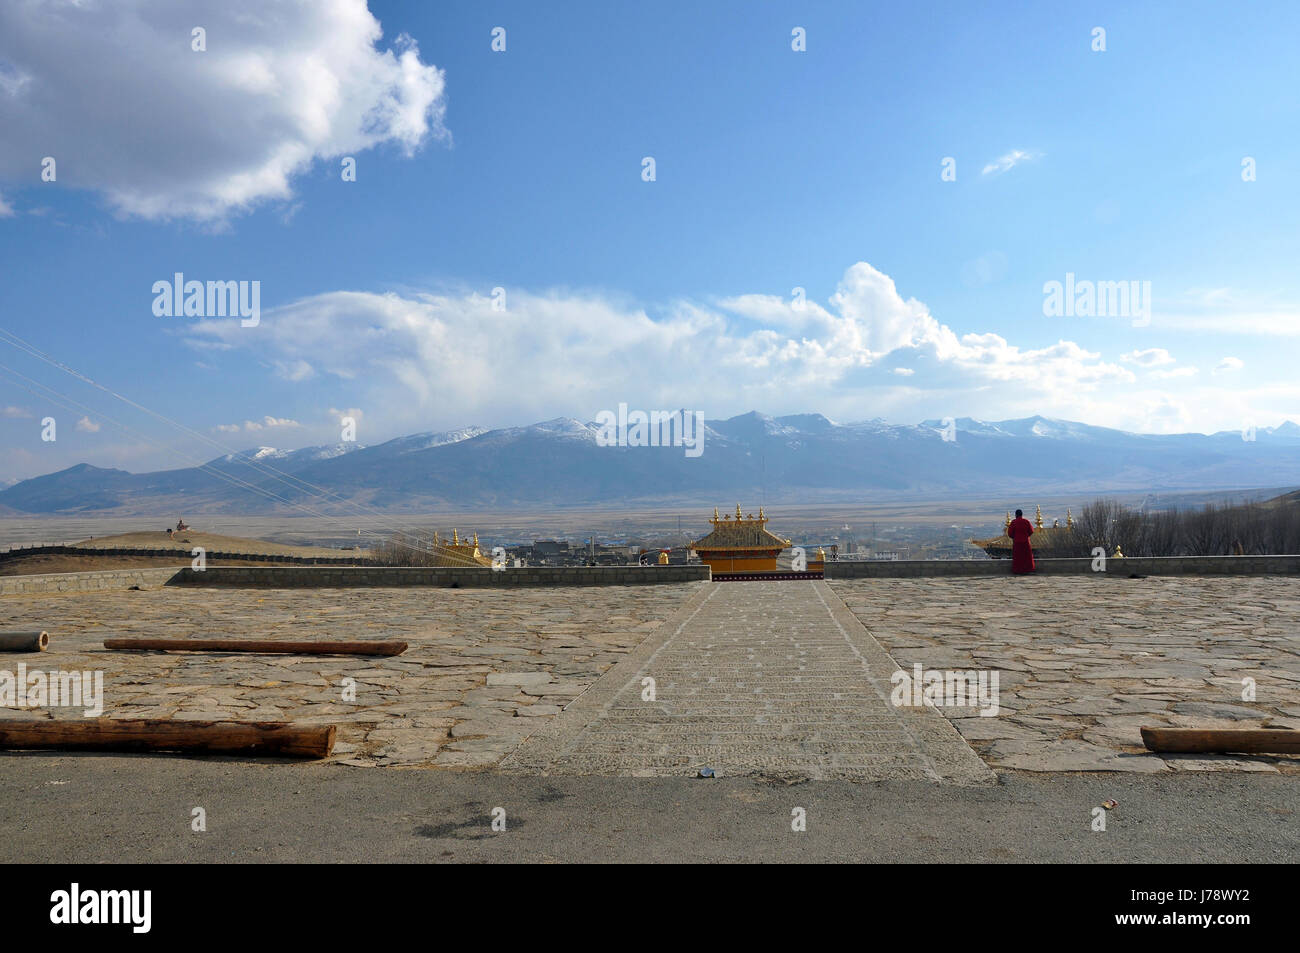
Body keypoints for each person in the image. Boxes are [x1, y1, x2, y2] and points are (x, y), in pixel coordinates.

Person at [1007, 508, 1035, 574]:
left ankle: (1018, 570)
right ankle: (1028, 570)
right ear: (1022, 515)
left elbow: (1010, 533)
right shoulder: (1026, 521)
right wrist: (1026, 536)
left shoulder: (1013, 522)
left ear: (1016, 515)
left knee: (1018, 557)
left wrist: (1015, 537)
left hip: (1017, 543)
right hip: (1025, 542)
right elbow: (1031, 531)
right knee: (1026, 557)